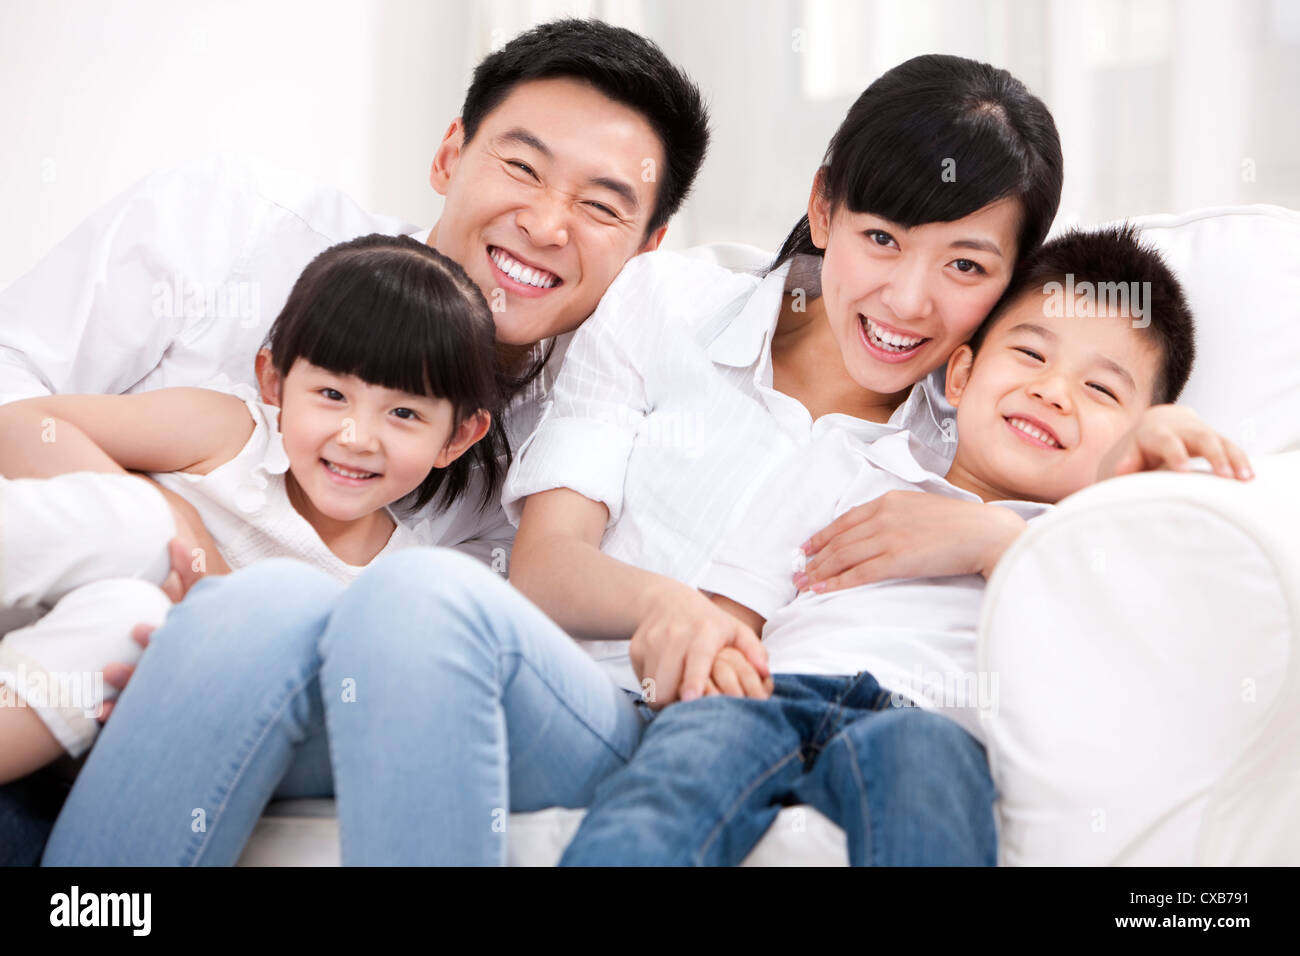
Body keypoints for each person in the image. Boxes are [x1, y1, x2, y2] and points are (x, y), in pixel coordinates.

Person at [43, 54, 1074, 866]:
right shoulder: (664, 306)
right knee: (243, 611)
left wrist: (1008, 525)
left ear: (1011, 278)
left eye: (967, 267)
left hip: (699, 739)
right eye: (884, 239)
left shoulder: (986, 426)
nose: (907, 301)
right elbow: (544, 565)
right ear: (822, 208)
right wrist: (670, 603)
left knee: (418, 600)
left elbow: (1143, 488)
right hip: (572, 692)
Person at [1, 16, 710, 864]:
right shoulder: (231, 226)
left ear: (647, 251)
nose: (548, 224)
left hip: (158, 705)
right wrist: (186, 556)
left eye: (600, 207)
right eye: (521, 167)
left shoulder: (582, 435)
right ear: (451, 155)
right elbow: (16, 398)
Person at [558, 224, 1252, 865]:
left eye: (1101, 390)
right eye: (1032, 354)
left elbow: (1123, 669)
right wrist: (702, 681)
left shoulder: (1079, 547)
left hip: (929, 721)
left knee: (923, 783)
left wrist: (1002, 539)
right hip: (771, 690)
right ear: (961, 376)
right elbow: (728, 618)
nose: (1051, 391)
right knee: (677, 772)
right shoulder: (842, 458)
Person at [0, 235, 506, 784]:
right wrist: (182, 533)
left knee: (135, 615)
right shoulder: (230, 433)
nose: (358, 437)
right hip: (30, 573)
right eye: (332, 395)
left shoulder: (390, 587)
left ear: (458, 437)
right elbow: (24, 425)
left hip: (84, 683)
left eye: (404, 412)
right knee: (143, 527)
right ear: (274, 381)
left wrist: (210, 624)